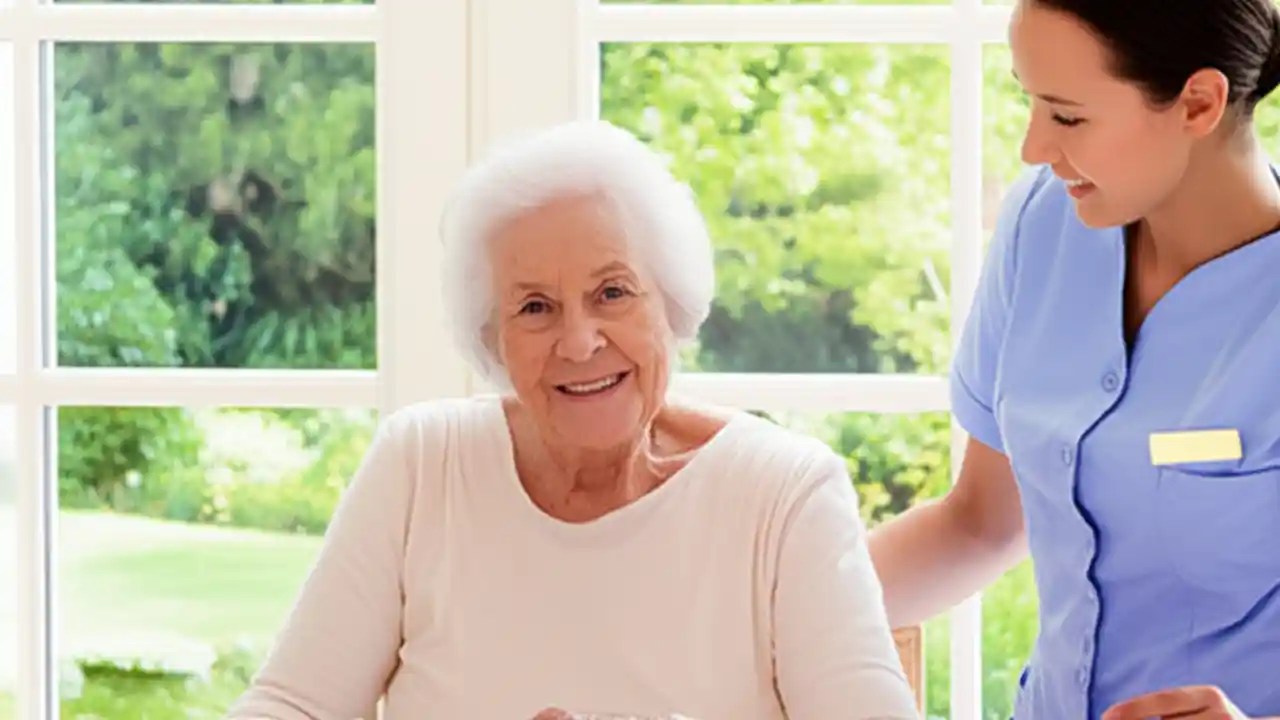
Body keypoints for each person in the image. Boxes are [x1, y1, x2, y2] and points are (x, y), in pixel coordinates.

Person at [226, 121, 919, 720]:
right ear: (492, 336)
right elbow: (297, 704)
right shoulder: (423, 462)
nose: (580, 341)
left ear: (669, 304)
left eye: (612, 293)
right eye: (535, 307)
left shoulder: (784, 493)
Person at [869, 1, 1280, 718]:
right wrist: (764, 612)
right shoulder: (1044, 221)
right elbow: (980, 523)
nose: (1032, 147)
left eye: (1066, 118)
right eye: (1029, 104)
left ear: (1199, 102)